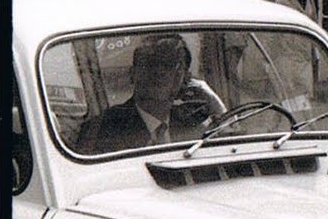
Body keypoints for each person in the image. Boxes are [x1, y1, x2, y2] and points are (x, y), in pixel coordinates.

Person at [80, 34, 222, 153]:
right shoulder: (106, 127)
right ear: (133, 74)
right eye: (150, 63)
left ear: (184, 78)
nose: (159, 72)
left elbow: (231, 144)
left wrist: (211, 98)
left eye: (170, 64)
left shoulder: (193, 121)